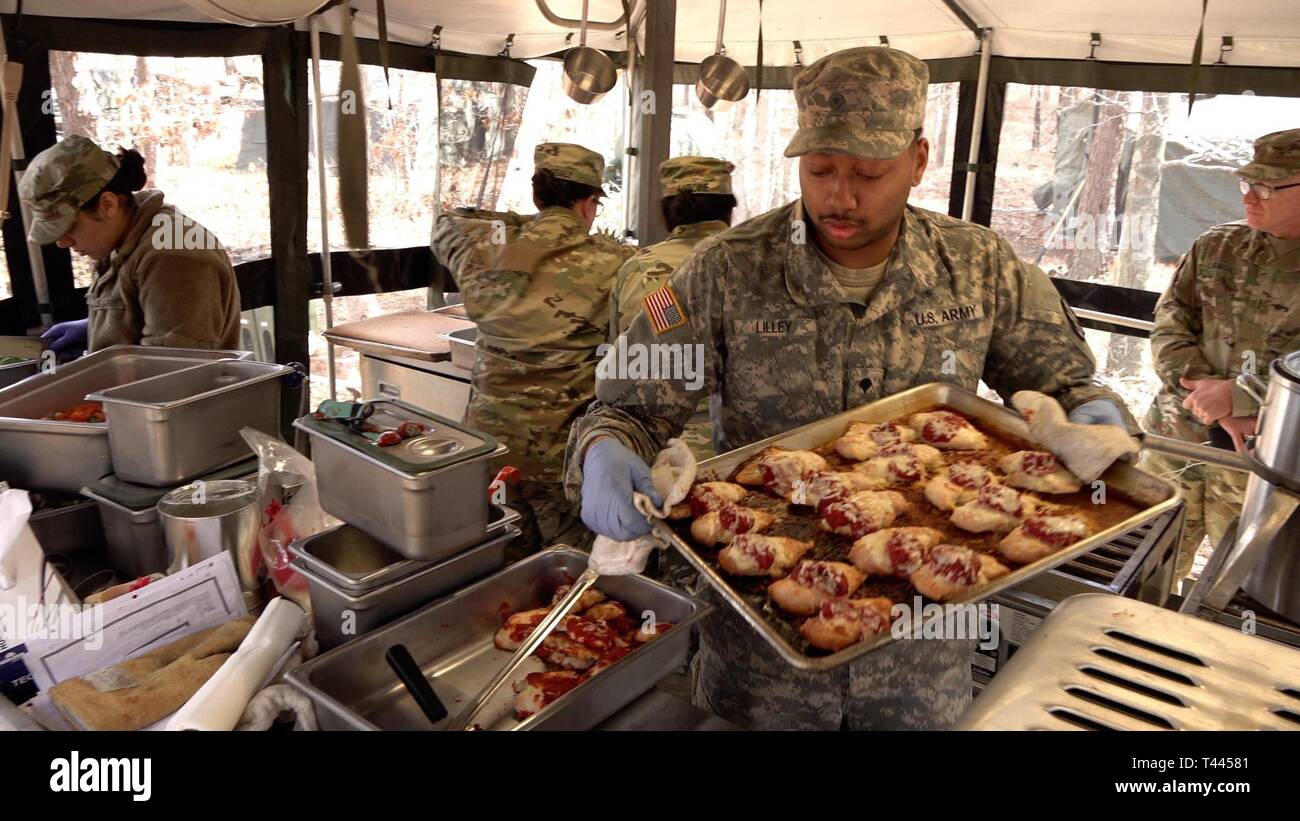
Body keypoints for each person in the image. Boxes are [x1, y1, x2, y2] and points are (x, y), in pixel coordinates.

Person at [562, 47, 1134, 730]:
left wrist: (1092, 418)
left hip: (919, 660)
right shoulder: (724, 270)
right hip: (759, 661)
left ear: (919, 161)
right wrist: (602, 447)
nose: (840, 195)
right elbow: (626, 404)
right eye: (820, 169)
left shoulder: (979, 266)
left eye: (869, 172)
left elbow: (1064, 384)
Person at [432, 142, 633, 552]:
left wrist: (539, 223)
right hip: (564, 455)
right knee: (570, 570)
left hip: (490, 448)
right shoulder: (617, 261)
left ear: (536, 194)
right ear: (590, 202)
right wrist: (562, 224)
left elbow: (447, 222)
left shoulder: (484, 249)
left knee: (498, 559)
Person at [1141, 128, 1300, 590]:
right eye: (1246, 184)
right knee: (1142, 562)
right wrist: (1205, 394)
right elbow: (1170, 323)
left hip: (1267, 458)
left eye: (1267, 187)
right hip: (1176, 437)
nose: (1250, 197)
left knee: (1238, 591)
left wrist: (1243, 399)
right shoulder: (1218, 246)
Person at [21, 134, 241, 359]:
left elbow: (172, 372)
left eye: (68, 227)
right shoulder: (120, 239)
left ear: (107, 205)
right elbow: (145, 311)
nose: (62, 242)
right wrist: (96, 327)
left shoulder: (173, 258)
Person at [610, 155, 736, 462]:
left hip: (653, 446)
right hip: (732, 448)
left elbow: (618, 360)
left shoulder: (639, 269)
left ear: (668, 214)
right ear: (728, 210)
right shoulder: (756, 267)